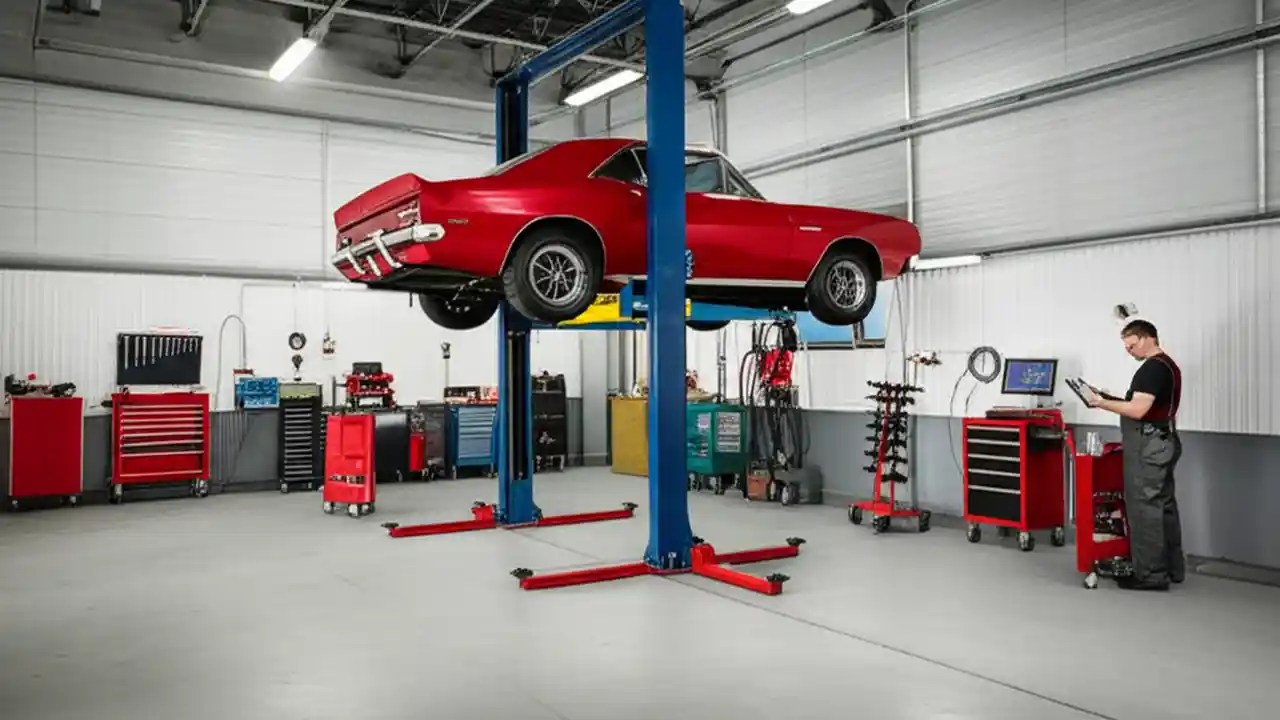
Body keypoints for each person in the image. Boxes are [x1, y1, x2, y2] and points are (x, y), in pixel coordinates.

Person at [1083, 319, 1185, 590]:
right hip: (1165, 440)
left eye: (1131, 346)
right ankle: (1172, 568)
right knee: (1164, 505)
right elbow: (1142, 404)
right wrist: (1106, 397)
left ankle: (1150, 575)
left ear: (1146, 337)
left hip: (1148, 445)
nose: (1129, 352)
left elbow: (1138, 410)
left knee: (1144, 507)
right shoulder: (1168, 366)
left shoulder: (1151, 369)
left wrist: (1100, 403)